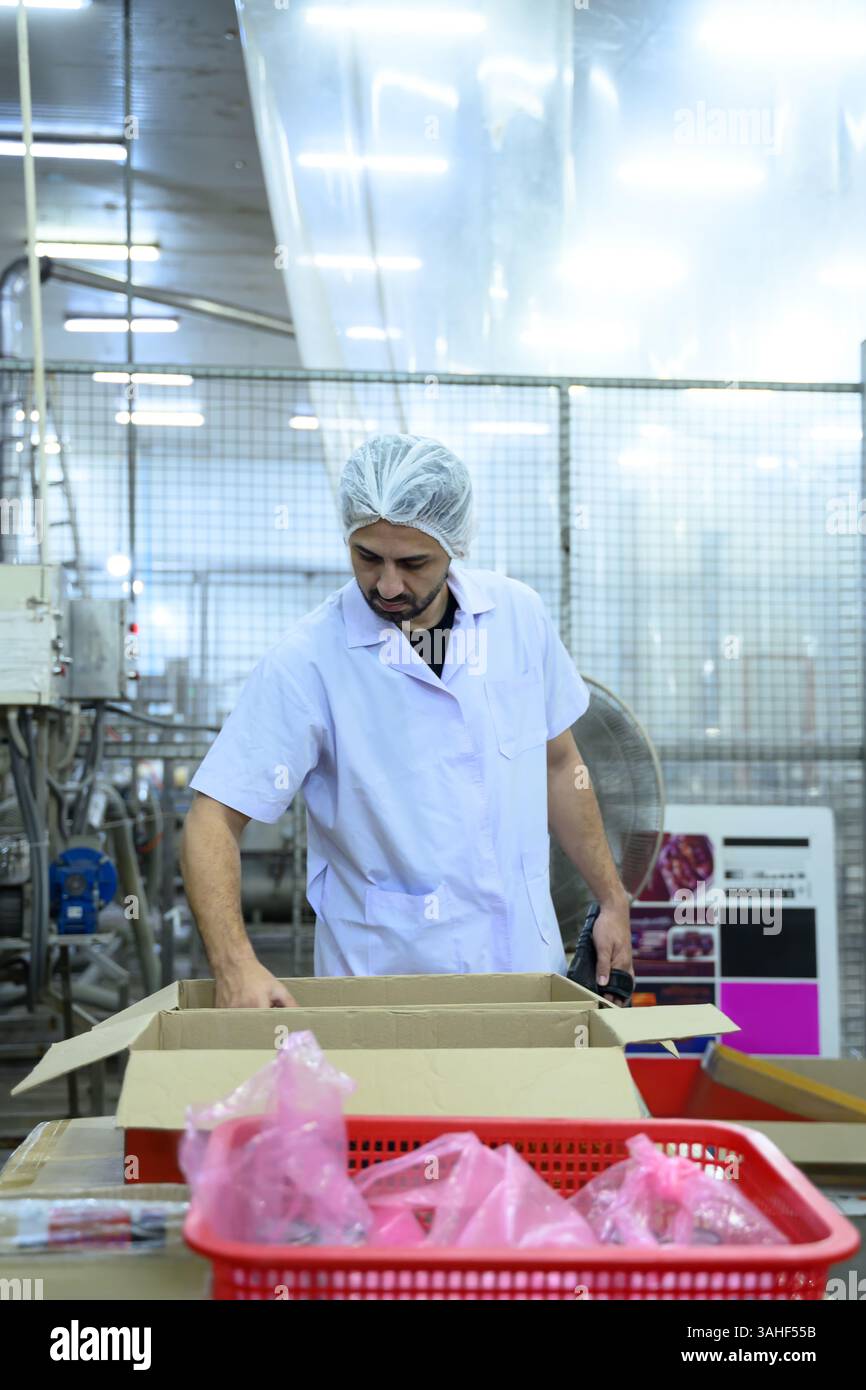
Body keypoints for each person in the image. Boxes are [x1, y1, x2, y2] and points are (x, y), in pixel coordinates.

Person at [181, 433, 633, 1007]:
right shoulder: (309, 662)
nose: (388, 586)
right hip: (386, 992)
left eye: (413, 563)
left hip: (525, 971)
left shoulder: (517, 618)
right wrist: (234, 964)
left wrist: (611, 899)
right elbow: (211, 818)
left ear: (455, 545)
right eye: (367, 557)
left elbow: (559, 763)